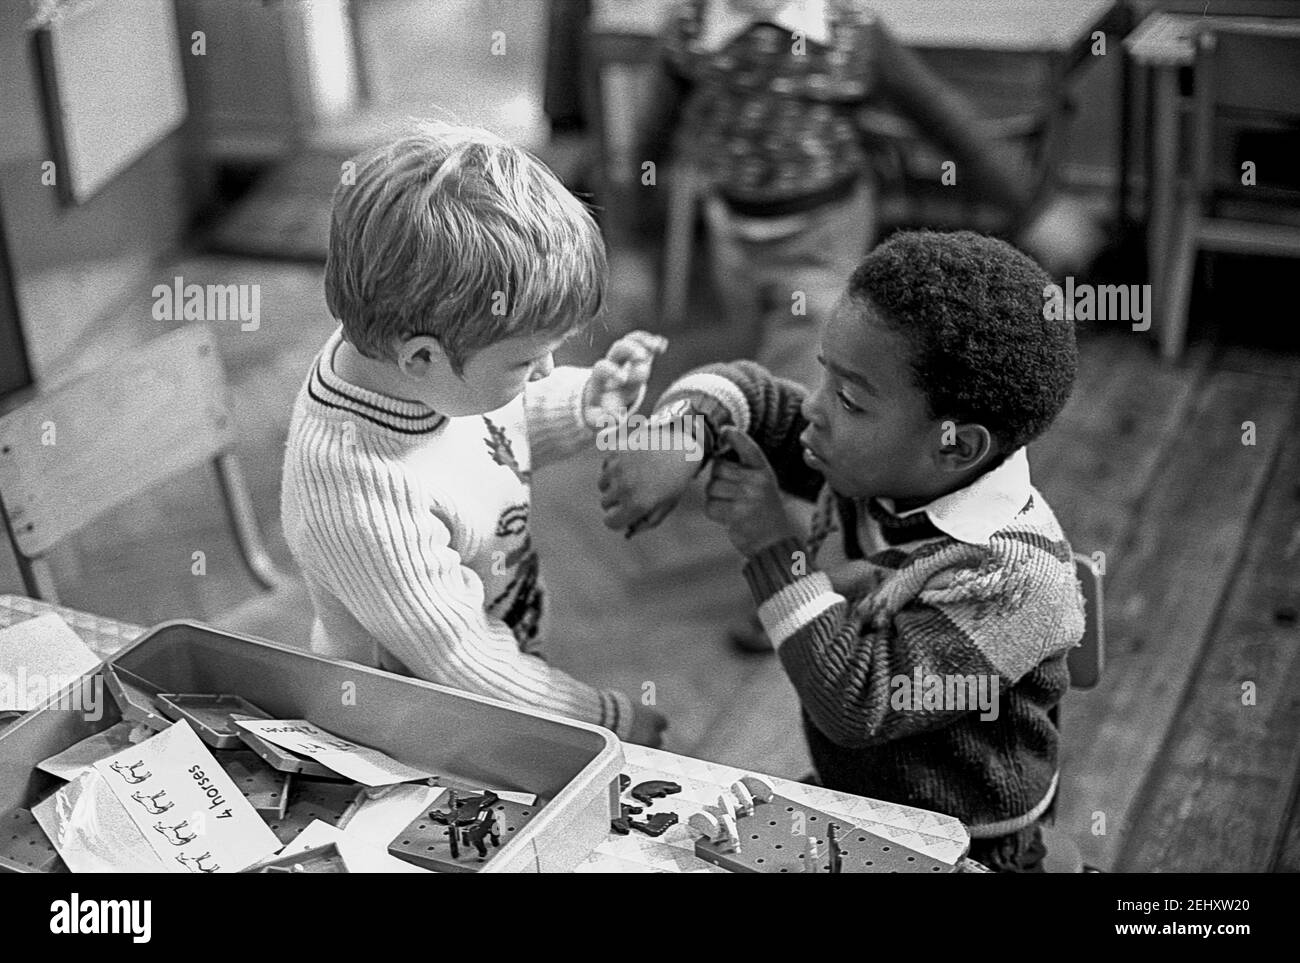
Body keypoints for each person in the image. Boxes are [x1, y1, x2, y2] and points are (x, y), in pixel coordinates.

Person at [599, 231, 1087, 868]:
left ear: (956, 447)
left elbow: (857, 702)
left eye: (850, 399)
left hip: (969, 841)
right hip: (859, 799)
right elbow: (750, 392)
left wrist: (771, 544)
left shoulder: (1014, 581)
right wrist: (684, 431)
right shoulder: (881, 461)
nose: (816, 411)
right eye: (825, 377)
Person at [281, 122, 668, 746]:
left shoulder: (414, 366)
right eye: (527, 361)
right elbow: (465, 664)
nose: (545, 371)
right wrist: (604, 720)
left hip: (502, 650)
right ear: (422, 358)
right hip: (418, 725)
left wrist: (585, 402)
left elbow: (493, 429)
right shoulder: (358, 487)